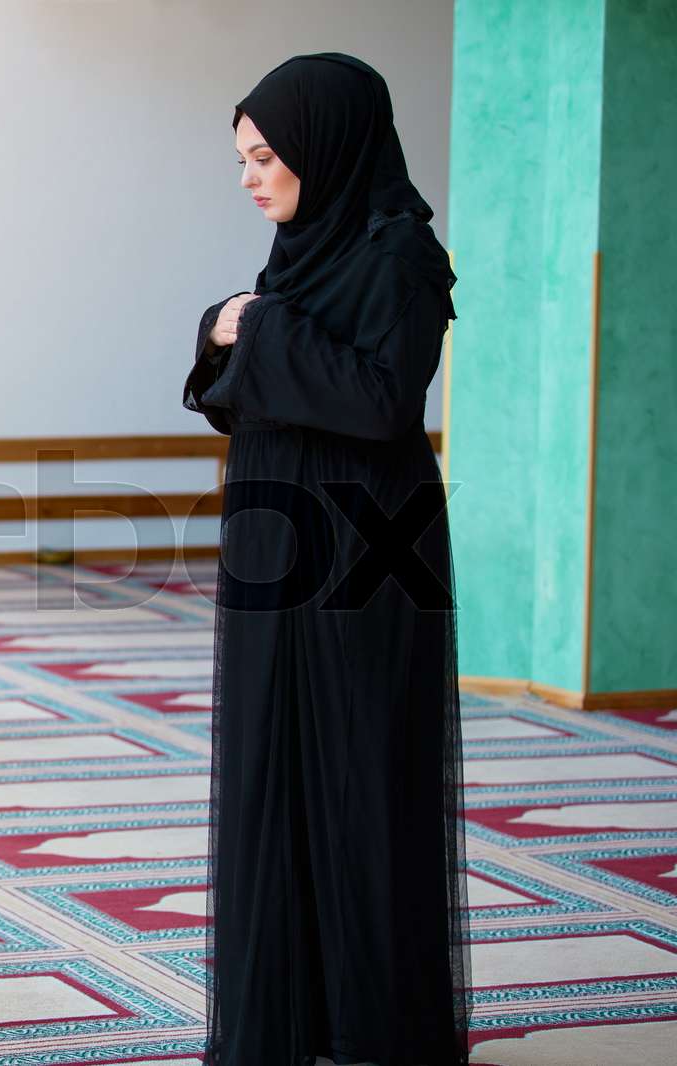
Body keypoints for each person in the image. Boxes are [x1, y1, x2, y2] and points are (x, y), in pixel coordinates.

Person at [182, 54, 470, 1065]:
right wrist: (226, 330)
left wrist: (256, 328)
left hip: (368, 545)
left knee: (360, 765)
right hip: (277, 537)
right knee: (276, 753)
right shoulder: (298, 257)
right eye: (243, 159)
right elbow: (248, 388)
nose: (250, 178)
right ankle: (297, 1009)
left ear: (327, 147)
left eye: (266, 156)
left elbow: (380, 401)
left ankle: (374, 1019)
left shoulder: (401, 258)